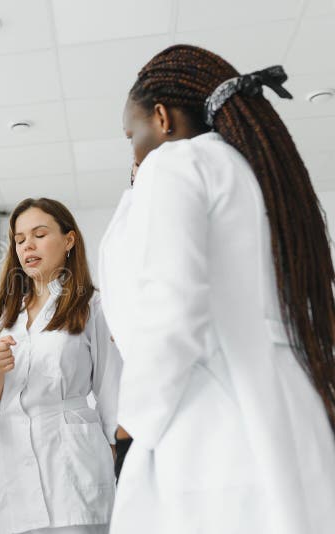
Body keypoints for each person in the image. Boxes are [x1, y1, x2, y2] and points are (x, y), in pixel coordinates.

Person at [98, 44, 335, 534]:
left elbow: (173, 307)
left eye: (131, 135)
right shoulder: (254, 174)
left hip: (211, 431)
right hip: (290, 417)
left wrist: (132, 424)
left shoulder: (175, 164)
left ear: (161, 118)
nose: (134, 151)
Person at [0, 198, 121, 534]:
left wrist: (117, 452)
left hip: (74, 470)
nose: (28, 246)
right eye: (20, 240)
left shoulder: (92, 305)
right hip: (12, 471)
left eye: (39, 234)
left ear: (69, 240)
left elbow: (111, 387)